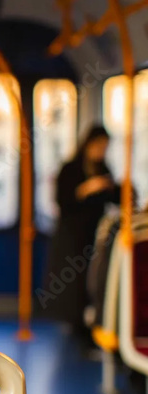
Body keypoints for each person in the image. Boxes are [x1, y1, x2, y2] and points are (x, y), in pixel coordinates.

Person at [42, 125, 120, 353]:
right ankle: (78, 328)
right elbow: (62, 201)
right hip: (72, 237)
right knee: (73, 283)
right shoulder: (71, 169)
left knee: (93, 280)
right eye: (98, 146)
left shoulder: (103, 168)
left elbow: (113, 198)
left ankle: (90, 326)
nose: (101, 151)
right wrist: (85, 189)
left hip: (94, 235)